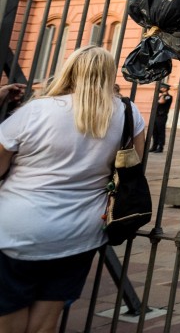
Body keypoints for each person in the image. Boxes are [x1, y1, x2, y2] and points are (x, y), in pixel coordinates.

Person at [0, 45, 146, 333]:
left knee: (9, 311)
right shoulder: (127, 113)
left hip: (18, 230)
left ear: (70, 70)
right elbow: (133, 166)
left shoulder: (35, 110)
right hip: (80, 233)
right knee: (46, 320)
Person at [150, 83, 172, 153]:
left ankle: (160, 147)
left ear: (165, 89)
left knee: (160, 132)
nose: (160, 89)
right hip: (156, 116)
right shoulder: (160, 96)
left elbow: (161, 102)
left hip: (162, 116)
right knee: (154, 131)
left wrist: (163, 94)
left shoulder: (168, 96)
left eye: (161, 88)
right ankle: (154, 146)